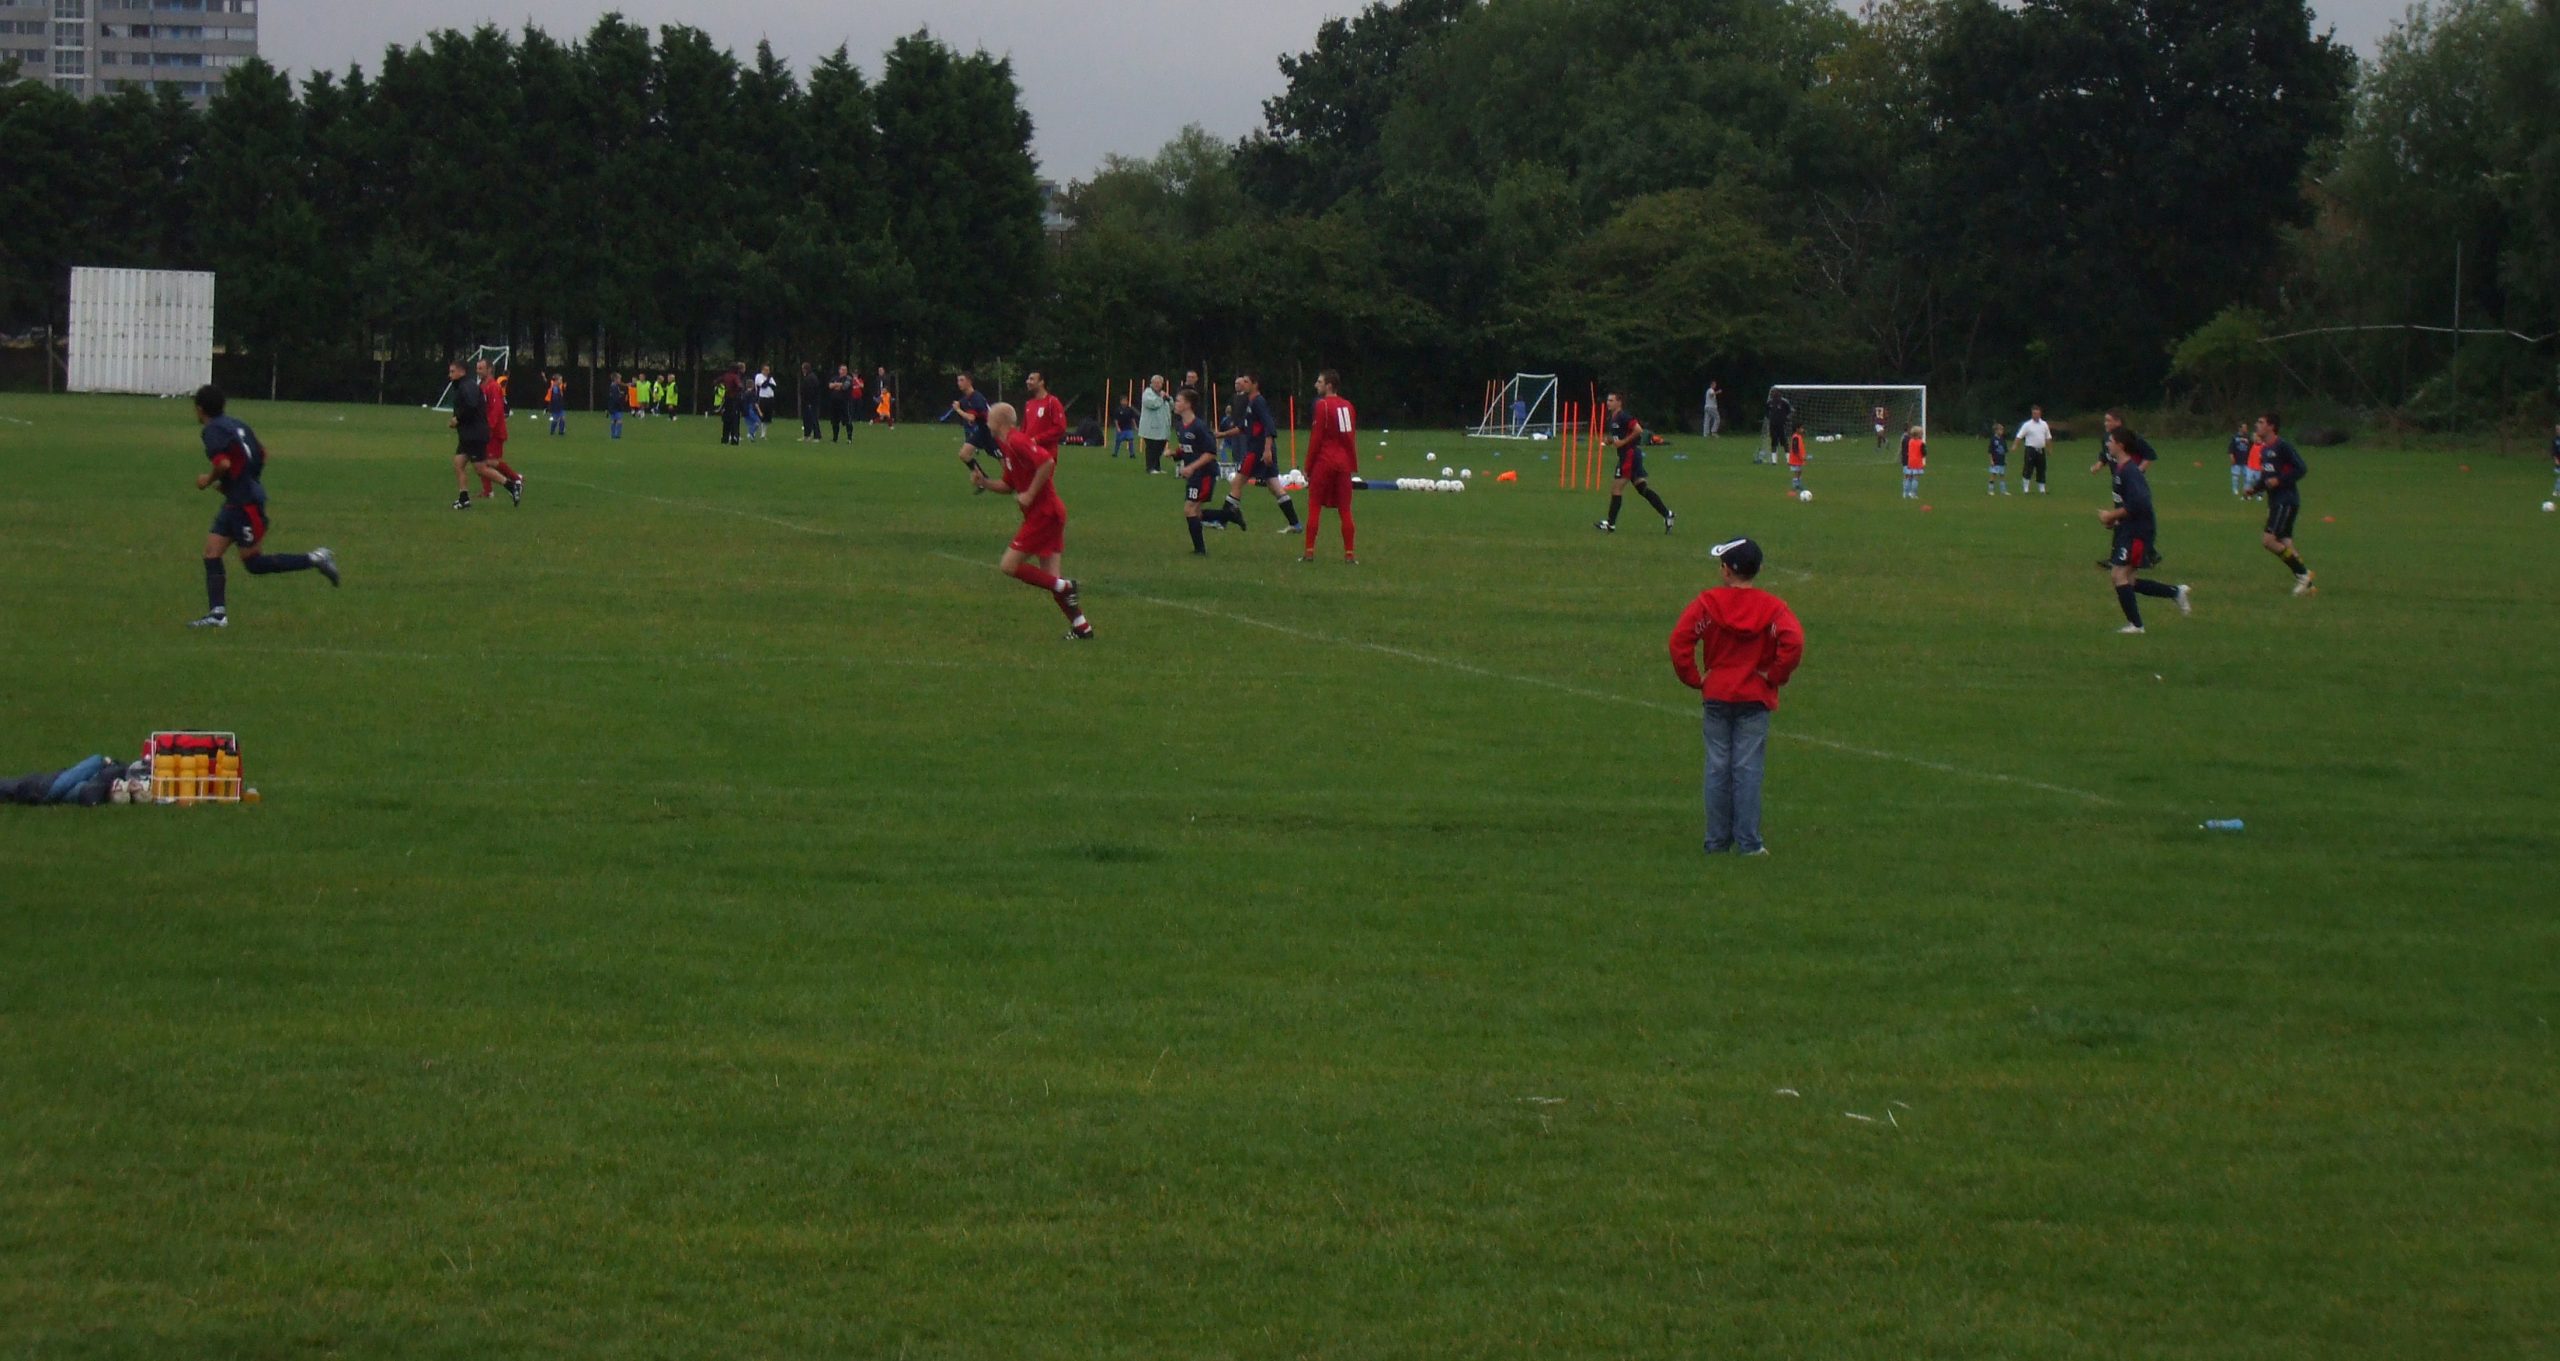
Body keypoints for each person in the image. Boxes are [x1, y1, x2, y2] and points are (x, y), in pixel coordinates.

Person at [1668, 537, 1802, 856]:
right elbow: (1793, 641)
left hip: (1717, 692)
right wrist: (1775, 675)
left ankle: (1716, 841)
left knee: (1717, 766)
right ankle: (1749, 842)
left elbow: (1680, 640)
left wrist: (1693, 677)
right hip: (1755, 694)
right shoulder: (1772, 608)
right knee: (1748, 768)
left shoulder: (1708, 603)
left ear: (1726, 571)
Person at [187, 384, 338, 627]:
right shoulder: (237, 424)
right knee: (212, 552)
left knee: (254, 563)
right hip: (237, 500)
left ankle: (316, 558)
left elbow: (223, 464)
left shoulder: (211, 430)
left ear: (200, 409)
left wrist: (208, 480)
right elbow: (261, 454)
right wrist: (239, 482)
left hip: (246, 505)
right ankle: (217, 614)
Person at [969, 401, 1093, 640]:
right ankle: (1081, 626)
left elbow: (1046, 462)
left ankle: (1066, 587)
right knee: (1050, 578)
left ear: (999, 421)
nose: (987, 422)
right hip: (1049, 515)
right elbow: (1008, 485)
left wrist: (1029, 494)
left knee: (1009, 565)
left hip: (1045, 514)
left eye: (990, 418)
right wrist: (984, 482)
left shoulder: (1017, 440)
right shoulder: (1007, 447)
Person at [2098, 426, 2191, 634]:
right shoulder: (2121, 469)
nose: (2107, 444)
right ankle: (2175, 592)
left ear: (2120, 445)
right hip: (2128, 528)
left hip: (2138, 531)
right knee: (2128, 580)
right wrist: (2115, 520)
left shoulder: (2130, 471)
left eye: (2110, 441)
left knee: (2119, 575)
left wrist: (2111, 515)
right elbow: (2127, 504)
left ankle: (2136, 625)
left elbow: (2139, 504)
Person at [1221, 373, 1300, 533]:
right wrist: (1221, 434)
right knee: (1274, 486)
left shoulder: (1258, 402)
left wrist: (1267, 450)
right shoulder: (1250, 402)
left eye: (1246, 381)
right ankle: (1295, 524)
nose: (1242, 384)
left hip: (1258, 451)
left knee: (1237, 482)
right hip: (1260, 450)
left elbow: (1269, 426)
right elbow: (1243, 428)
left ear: (1255, 384)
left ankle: (1221, 520)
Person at [2248, 412, 2316, 596]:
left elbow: (2301, 468)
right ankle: (2308, 586)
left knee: (2269, 541)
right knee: (2285, 543)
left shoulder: (2282, 446)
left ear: (2271, 426)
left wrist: (2280, 480)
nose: (2257, 425)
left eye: (2261, 422)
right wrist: (2254, 489)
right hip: (2277, 501)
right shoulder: (2264, 450)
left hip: (2285, 500)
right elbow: (2266, 476)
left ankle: (2303, 574)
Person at [1594, 392, 1675, 533]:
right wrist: (1610, 441)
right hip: (1629, 455)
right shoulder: (1613, 418)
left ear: (1619, 402)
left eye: (1611, 400)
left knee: (1616, 489)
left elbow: (1638, 430)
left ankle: (1610, 524)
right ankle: (1668, 514)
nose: (1608, 403)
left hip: (1629, 455)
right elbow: (1618, 437)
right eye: (1608, 400)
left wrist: (1623, 442)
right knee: (1642, 488)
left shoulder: (1623, 416)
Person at [1301, 369, 1358, 563]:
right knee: (1345, 509)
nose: (1316, 385)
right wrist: (1351, 462)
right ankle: (1349, 554)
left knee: (1314, 505)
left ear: (1329, 386)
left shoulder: (1322, 405)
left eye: (1319, 382)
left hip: (1325, 461)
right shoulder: (1348, 406)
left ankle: (1309, 552)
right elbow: (1350, 437)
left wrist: (1308, 467)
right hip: (1344, 463)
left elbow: (1316, 438)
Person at [1175, 387, 1222, 554]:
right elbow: (1187, 449)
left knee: (1190, 509)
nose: (1175, 403)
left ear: (1188, 404)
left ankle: (1200, 550)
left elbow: (1210, 453)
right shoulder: (1180, 426)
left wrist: (1191, 467)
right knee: (1194, 511)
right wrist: (1174, 454)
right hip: (1194, 475)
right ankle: (1229, 515)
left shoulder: (1199, 426)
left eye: (1178, 401)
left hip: (1205, 473)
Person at [471, 359, 523, 506]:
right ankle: (488, 491)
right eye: (477, 368)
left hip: (493, 432)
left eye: (481, 368)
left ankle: (516, 479)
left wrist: (488, 428)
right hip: (483, 429)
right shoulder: (481, 386)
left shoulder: (494, 387)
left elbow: (496, 410)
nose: (478, 371)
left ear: (489, 370)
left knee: (488, 461)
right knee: (481, 460)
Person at [950, 372, 996, 490]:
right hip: (982, 431)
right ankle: (983, 479)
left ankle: (1020, 481)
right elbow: (972, 415)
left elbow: (971, 417)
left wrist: (958, 410)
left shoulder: (977, 398)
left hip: (992, 431)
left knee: (1004, 460)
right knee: (964, 454)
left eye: (962, 380)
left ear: (969, 381)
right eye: (958, 380)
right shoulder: (966, 399)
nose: (959, 383)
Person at [1022, 370, 1067, 463]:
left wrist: (1037, 439)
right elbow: (1024, 429)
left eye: (1031, 379)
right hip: (1029, 454)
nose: (1028, 381)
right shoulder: (1029, 404)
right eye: (1028, 379)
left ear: (1041, 382)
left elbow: (1060, 428)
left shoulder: (1052, 402)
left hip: (1046, 455)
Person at [2093, 410, 2154, 474]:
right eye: (2105, 421)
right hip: (2117, 477)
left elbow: (2149, 454)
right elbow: (2106, 453)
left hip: (2131, 477)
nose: (2105, 423)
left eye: (2108, 421)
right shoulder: (2106, 437)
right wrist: (2099, 465)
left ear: (2118, 422)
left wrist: (2138, 471)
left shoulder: (2131, 437)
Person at [1137, 374, 1172, 473]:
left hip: (1162, 428)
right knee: (1152, 447)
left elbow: (1172, 406)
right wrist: (1161, 398)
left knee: (1160, 447)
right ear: (1151, 383)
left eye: (1159, 383)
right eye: (1155, 383)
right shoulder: (1147, 393)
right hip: (1150, 427)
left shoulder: (1163, 394)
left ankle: (1157, 467)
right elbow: (1152, 404)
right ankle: (1150, 468)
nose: (1157, 384)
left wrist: (1168, 399)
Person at [2015, 405, 2053, 493]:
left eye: (2037, 413)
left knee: (2041, 469)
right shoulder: (2027, 425)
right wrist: (2015, 445)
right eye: (2034, 413)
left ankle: (2042, 489)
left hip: (2040, 449)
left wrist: (2049, 448)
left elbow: (2048, 437)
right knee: (2028, 468)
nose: (2035, 415)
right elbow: (2019, 436)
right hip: (2030, 449)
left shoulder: (2044, 424)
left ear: (2040, 414)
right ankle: (2026, 488)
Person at [717, 363, 746, 446]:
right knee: (735, 420)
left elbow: (716, 381)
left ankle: (724, 439)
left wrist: (724, 389)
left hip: (726, 400)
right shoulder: (735, 377)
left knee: (726, 420)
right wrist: (736, 391)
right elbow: (739, 386)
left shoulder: (725, 376)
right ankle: (734, 439)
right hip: (734, 400)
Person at [1764, 391, 1795, 465]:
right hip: (1772, 425)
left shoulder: (1784, 402)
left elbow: (1791, 411)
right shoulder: (1769, 402)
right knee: (1774, 441)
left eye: (1776, 394)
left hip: (1782, 425)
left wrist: (1787, 418)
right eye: (1773, 394)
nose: (1775, 396)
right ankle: (1774, 461)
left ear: (1780, 395)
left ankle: (1788, 460)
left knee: (1784, 442)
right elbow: (1766, 411)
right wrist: (1770, 418)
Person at [827, 364, 854, 442]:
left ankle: (849, 438)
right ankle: (835, 438)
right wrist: (838, 385)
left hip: (845, 403)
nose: (843, 371)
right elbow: (830, 386)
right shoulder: (834, 377)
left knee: (847, 420)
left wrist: (836, 384)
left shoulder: (848, 378)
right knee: (835, 421)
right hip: (835, 403)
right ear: (839, 370)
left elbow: (845, 387)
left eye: (845, 370)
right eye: (842, 370)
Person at [2227, 421, 2255, 496]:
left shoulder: (2249, 438)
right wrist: (2231, 457)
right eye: (2244, 427)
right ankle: (2235, 490)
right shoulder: (2234, 437)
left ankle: (2245, 489)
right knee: (2235, 476)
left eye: (2246, 427)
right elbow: (2231, 448)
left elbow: (2253, 448)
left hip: (2246, 460)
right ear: (2240, 428)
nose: (2246, 429)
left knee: (2247, 476)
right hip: (2237, 460)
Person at [1899, 425, 1927, 499]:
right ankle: (1913, 494)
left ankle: (1905, 493)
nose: (1922, 435)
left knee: (1908, 478)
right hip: (1917, 462)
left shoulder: (1910, 441)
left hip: (1910, 462)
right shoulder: (1921, 443)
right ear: (1918, 434)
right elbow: (1924, 453)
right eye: (1921, 433)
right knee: (1915, 479)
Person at [798, 362, 821, 441]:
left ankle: (817, 436)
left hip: (811, 402)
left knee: (813, 419)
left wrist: (809, 402)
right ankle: (807, 435)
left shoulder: (811, 378)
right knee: (807, 419)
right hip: (807, 402)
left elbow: (811, 391)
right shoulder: (808, 377)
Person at [1110, 392, 1138, 459]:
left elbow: (1132, 419)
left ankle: (1132, 454)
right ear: (1121, 402)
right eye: (1123, 401)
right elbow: (1116, 420)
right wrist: (1118, 428)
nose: (1124, 402)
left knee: (1130, 440)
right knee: (1118, 441)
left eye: (1126, 401)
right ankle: (1115, 453)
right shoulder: (1118, 410)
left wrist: (1135, 426)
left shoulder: (1130, 409)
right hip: (1121, 429)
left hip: (1128, 429)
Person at [753, 365, 778, 439]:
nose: (767, 372)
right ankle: (753, 433)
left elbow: (774, 387)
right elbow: (763, 385)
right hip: (762, 398)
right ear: (762, 370)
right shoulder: (759, 376)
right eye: (766, 370)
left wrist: (768, 382)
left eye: (768, 370)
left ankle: (763, 434)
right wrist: (768, 380)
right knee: (759, 416)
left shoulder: (770, 378)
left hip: (770, 399)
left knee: (767, 418)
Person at [1987, 423, 2010, 496]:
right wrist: (1991, 460)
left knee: (2002, 475)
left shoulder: (2003, 439)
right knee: (1993, 475)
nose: (2002, 431)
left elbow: (2005, 451)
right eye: (2001, 430)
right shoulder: (1993, 440)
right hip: (1995, 461)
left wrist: (2005, 459)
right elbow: (1990, 451)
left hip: (2001, 461)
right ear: (1996, 430)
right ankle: (1990, 490)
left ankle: (2003, 491)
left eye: (2002, 430)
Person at [1786, 426, 1808, 494]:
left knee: (1799, 472)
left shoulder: (1799, 436)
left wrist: (1802, 457)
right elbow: (1795, 449)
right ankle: (1793, 489)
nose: (1802, 429)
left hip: (1799, 459)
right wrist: (1801, 457)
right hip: (1795, 459)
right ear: (1797, 429)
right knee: (1796, 473)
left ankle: (1798, 485)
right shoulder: (1795, 437)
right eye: (1801, 428)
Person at [545, 372, 567, 436]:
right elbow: (555, 398)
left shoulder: (559, 387)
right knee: (555, 420)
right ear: (556, 381)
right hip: (555, 407)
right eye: (560, 380)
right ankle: (552, 431)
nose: (561, 381)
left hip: (560, 407)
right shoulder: (555, 388)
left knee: (562, 418)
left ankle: (561, 432)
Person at [608, 372, 628, 440]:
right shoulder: (614, 387)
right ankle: (617, 435)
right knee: (619, 420)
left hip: (612, 406)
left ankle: (612, 435)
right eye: (619, 379)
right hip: (616, 407)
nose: (620, 380)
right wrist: (621, 397)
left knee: (613, 420)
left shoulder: (612, 386)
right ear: (615, 379)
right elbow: (615, 398)